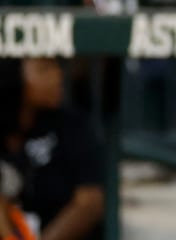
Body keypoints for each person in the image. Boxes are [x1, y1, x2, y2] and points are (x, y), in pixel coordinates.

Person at [0, 58, 104, 240]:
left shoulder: (71, 126)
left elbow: (89, 202)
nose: (57, 75)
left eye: (57, 67)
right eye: (44, 69)